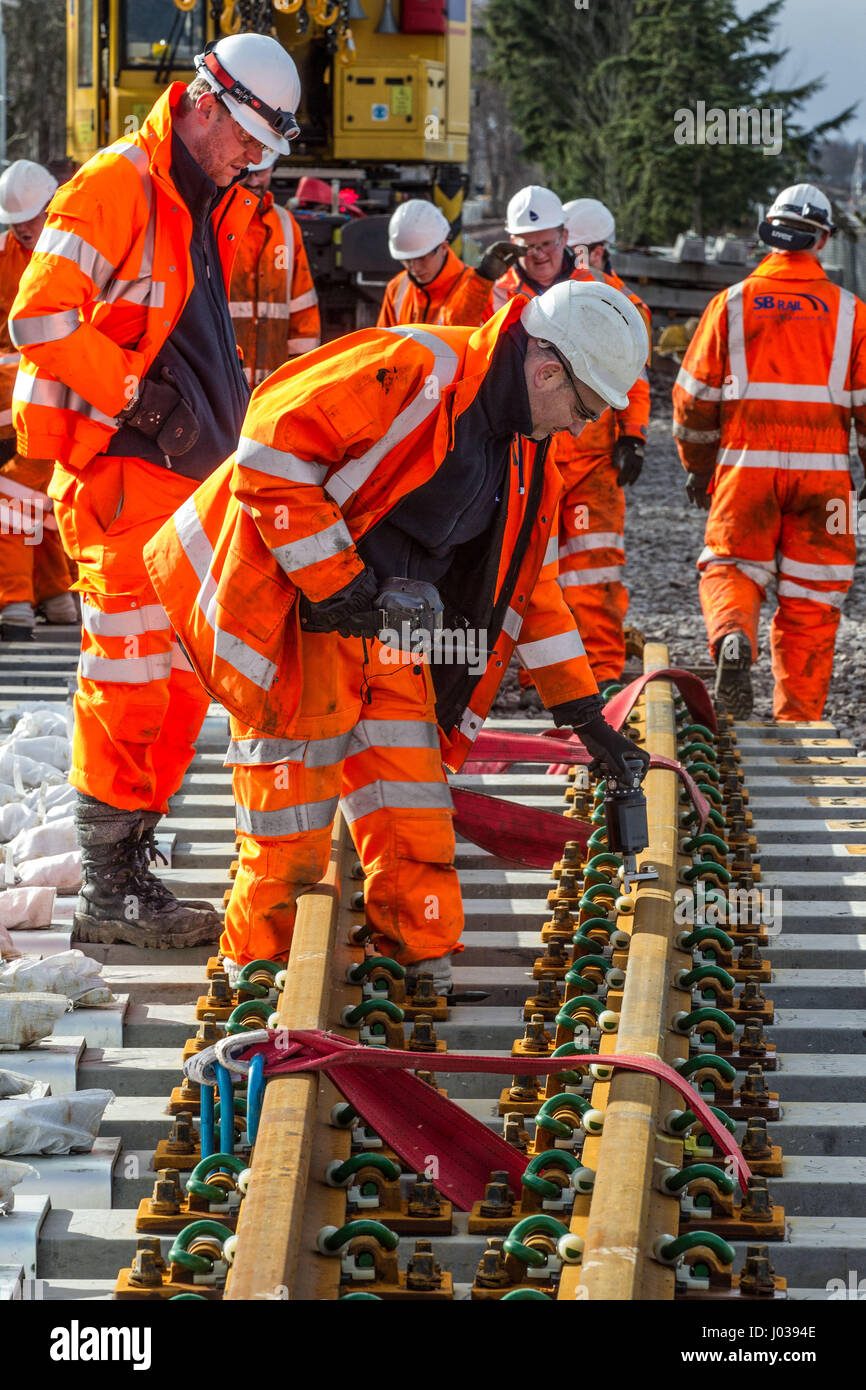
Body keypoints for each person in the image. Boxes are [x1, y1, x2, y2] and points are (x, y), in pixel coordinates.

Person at [144, 279, 651, 991]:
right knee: (289, 833)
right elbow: (269, 447)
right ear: (545, 371)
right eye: (583, 407)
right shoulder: (414, 371)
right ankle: (255, 976)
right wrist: (337, 582)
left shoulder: (524, 452)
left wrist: (582, 711)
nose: (576, 426)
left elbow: (527, 587)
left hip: (385, 633)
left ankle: (418, 958)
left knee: (413, 806)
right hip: (296, 617)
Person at [9, 32, 302, 948]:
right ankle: (112, 896)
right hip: (125, 474)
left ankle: (131, 872)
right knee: (130, 681)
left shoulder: (196, 196)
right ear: (207, 104)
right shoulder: (117, 184)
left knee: (173, 686)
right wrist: (136, 395)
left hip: (182, 482)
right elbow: (41, 315)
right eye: (247, 140)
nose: (252, 161)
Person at [673, 182, 866, 720]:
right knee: (813, 599)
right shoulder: (852, 315)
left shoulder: (729, 305)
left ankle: (734, 635)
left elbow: (692, 400)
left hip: (745, 470)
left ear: (771, 234)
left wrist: (699, 467)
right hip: (826, 481)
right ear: (823, 240)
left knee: (732, 566)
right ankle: (798, 720)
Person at [491, 186, 650, 683]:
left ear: (565, 237)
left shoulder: (600, 292)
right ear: (513, 246)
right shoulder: (498, 296)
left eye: (547, 243)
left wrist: (633, 433)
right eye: (527, 246)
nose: (538, 256)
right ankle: (537, 677)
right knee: (526, 568)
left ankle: (601, 674)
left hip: (590, 456)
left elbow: (632, 369)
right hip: (524, 455)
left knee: (593, 570)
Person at [0, 160, 76, 640]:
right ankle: (55, 596)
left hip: (60, 403)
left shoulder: (72, 249)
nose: (24, 231)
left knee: (15, 499)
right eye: (16, 225)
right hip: (21, 408)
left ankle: (14, 604)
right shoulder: (10, 253)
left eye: (29, 220)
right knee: (35, 503)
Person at [229, 147, 320, 387]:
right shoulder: (216, 221)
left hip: (273, 385)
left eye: (262, 172)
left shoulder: (286, 225)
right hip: (223, 383)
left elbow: (302, 307)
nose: (255, 180)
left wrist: (302, 376)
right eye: (248, 173)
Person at [378, 200, 515, 328]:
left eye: (422, 258)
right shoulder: (397, 288)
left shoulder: (479, 289)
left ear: (443, 247)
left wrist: (480, 284)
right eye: (407, 260)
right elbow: (383, 345)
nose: (414, 268)